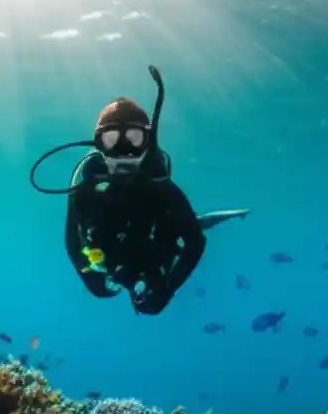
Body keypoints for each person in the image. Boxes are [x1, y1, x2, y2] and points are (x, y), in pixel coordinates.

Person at [29, 66, 249, 315]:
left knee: (154, 291)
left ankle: (193, 222)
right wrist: (91, 279)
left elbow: (195, 242)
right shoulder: (87, 179)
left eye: (134, 139)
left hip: (152, 239)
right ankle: (189, 224)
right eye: (112, 140)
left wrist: (168, 288)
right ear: (98, 144)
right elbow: (72, 238)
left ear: (148, 141)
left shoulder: (157, 179)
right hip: (110, 250)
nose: (124, 151)